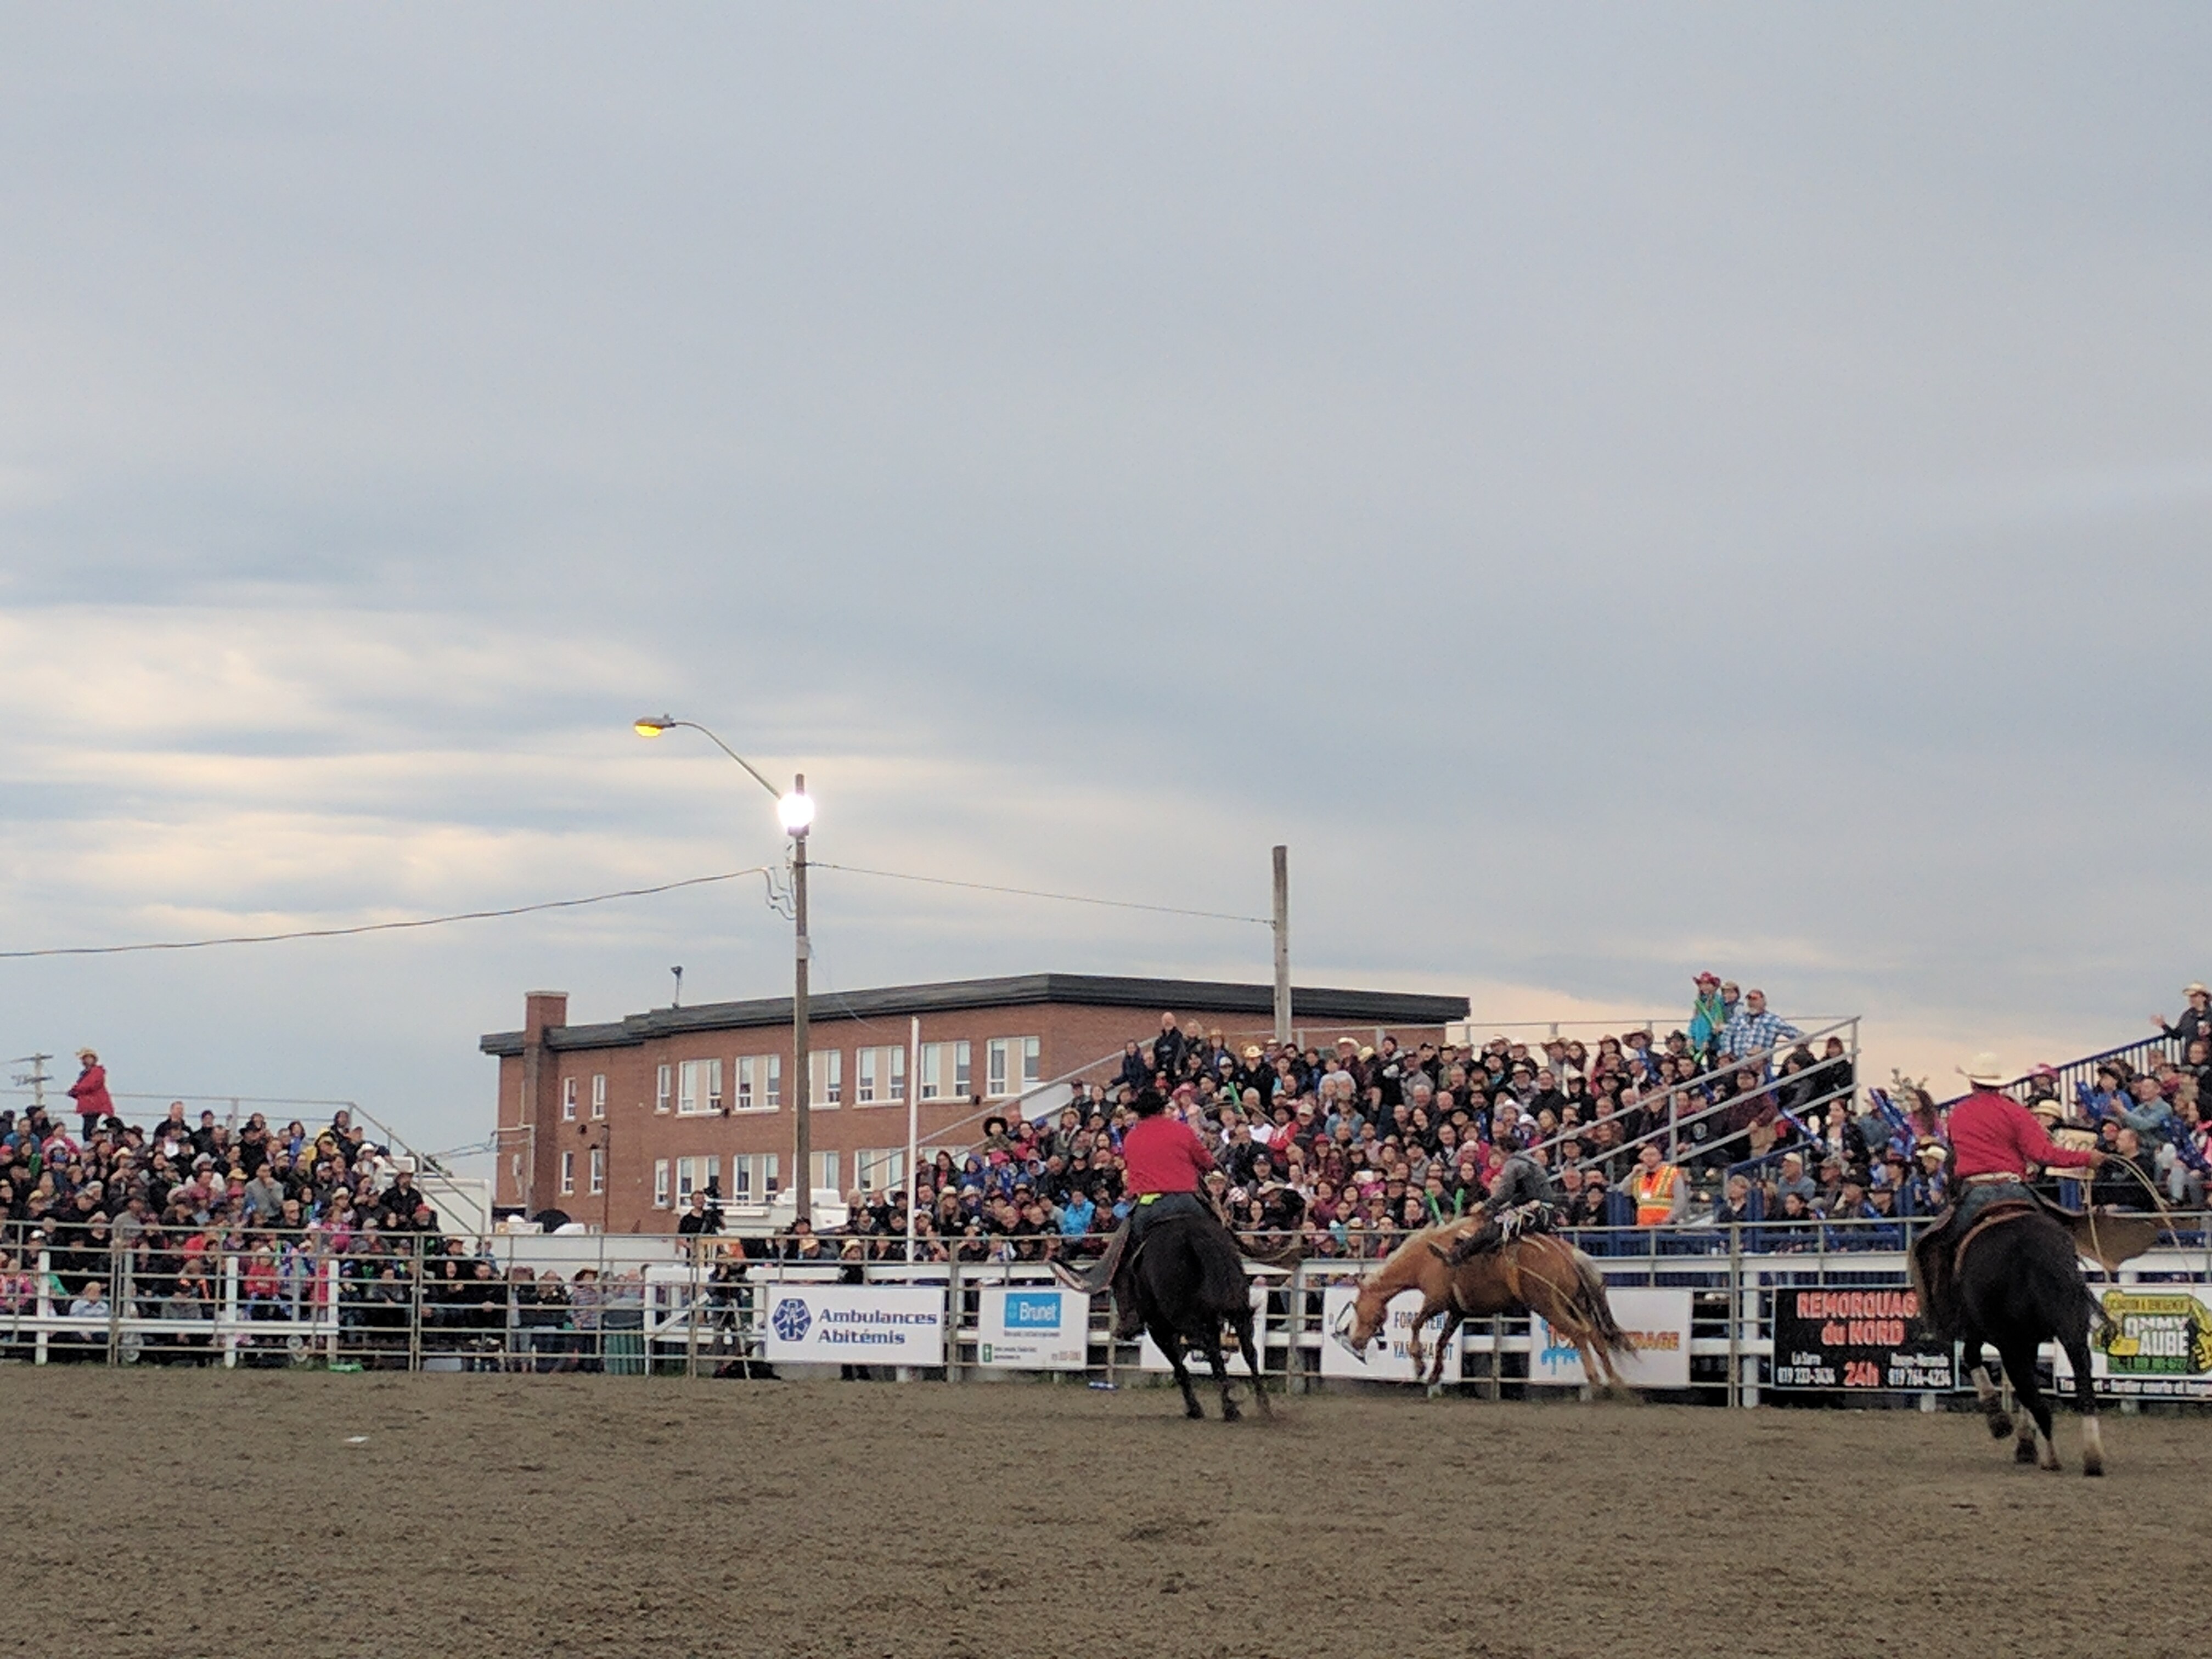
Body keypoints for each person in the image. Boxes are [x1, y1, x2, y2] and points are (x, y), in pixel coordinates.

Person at [1912, 1053, 2102, 1332]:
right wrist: (2087, 1159)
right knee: (2062, 1230)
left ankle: (1945, 1320)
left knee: (1937, 1247)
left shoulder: (1958, 1115)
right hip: (2015, 1188)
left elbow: (1956, 1155)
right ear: (2000, 1085)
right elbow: (2043, 1154)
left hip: (1976, 1191)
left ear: (1972, 1083)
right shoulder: (2017, 1112)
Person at [1103, 1087, 1219, 1337]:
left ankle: (1130, 1315)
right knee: (1219, 1236)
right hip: (1187, 1202)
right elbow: (1207, 1163)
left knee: (1121, 1260)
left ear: (1139, 1113)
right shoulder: (1182, 1130)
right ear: (1162, 1108)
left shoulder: (1130, 1138)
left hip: (1149, 1206)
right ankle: (1229, 1287)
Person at [1436, 1140, 1561, 1265]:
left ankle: (1457, 1256)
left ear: (1505, 1150)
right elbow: (1523, 1195)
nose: (1497, 1156)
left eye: (1498, 1152)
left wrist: (1485, 1205)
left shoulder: (1513, 1164)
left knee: (1494, 1227)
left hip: (1537, 1212)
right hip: (1545, 1211)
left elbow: (1504, 1194)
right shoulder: (1531, 1162)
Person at [1626, 1142, 1686, 1227]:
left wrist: (1669, 1219)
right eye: (1646, 1155)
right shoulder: (1638, 1175)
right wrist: (1632, 1174)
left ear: (1660, 1157)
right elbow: (1623, 1191)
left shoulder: (1672, 1173)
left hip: (1664, 1225)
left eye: (1653, 1155)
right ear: (1641, 1158)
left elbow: (1680, 1200)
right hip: (1643, 1225)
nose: (1649, 1158)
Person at [66, 1051, 112, 1141]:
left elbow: (90, 1085)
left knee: (90, 1129)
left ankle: (93, 1143)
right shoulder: (87, 1073)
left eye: (88, 1058)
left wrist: (76, 1090)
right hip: (89, 1105)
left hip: (93, 1104)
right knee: (88, 1128)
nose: (86, 1061)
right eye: (84, 1058)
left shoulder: (96, 1072)